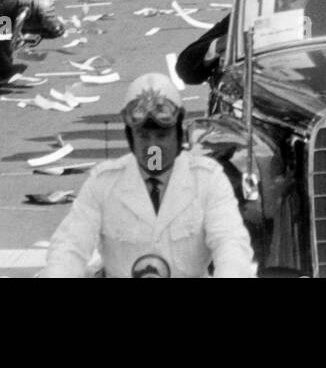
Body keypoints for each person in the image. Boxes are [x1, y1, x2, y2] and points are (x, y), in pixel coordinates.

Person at [40, 73, 256, 278]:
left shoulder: (208, 180)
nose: (153, 147)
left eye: (162, 135)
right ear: (129, 137)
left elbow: (231, 246)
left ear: (178, 134)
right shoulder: (103, 183)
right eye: (144, 136)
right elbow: (69, 248)